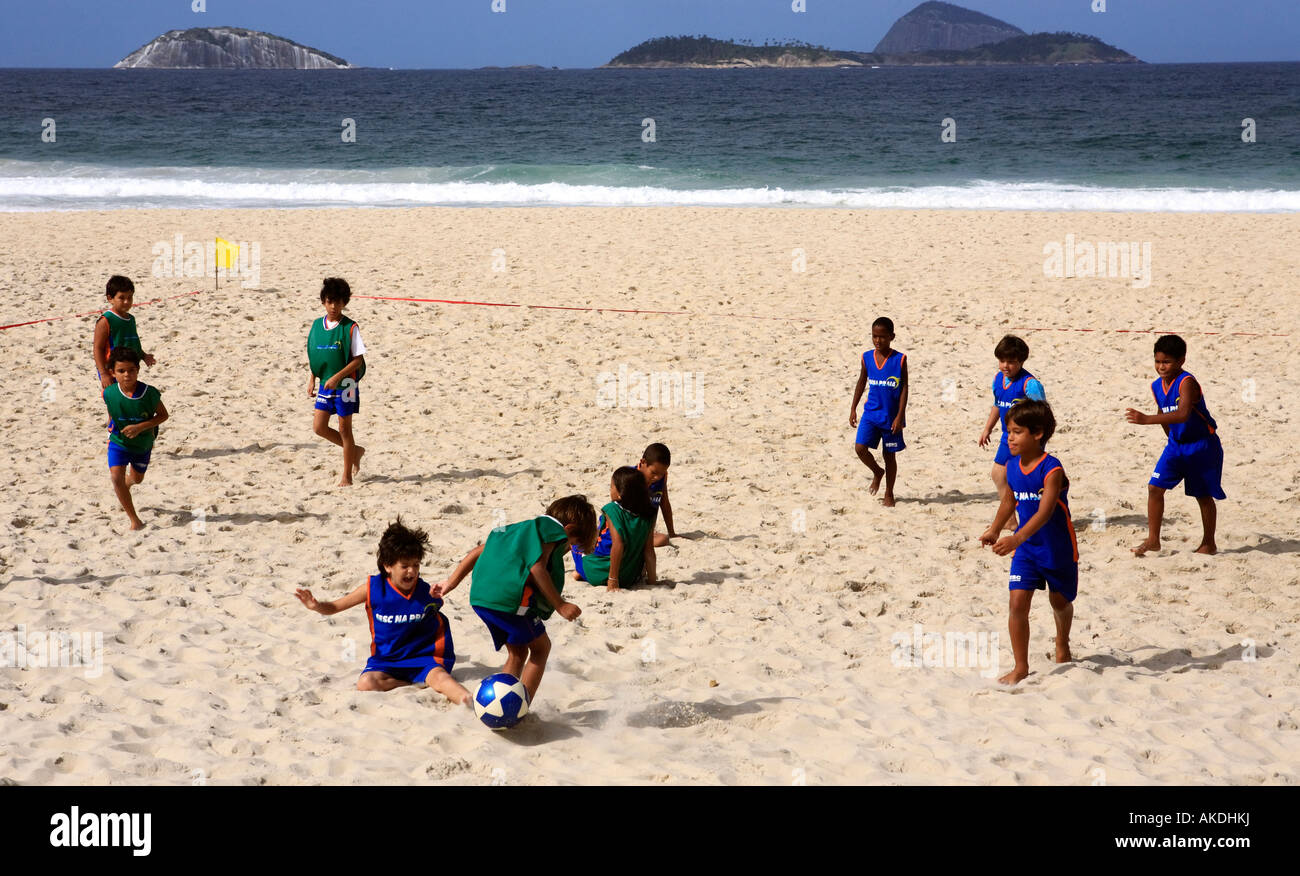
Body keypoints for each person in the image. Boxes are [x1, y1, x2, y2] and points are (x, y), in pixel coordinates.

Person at [438, 497, 598, 707]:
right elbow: (537, 568)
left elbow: (478, 552)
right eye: (571, 544)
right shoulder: (552, 532)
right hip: (509, 601)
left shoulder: (517, 530)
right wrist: (561, 605)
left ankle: (498, 704)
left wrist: (451, 583)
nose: (568, 548)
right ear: (567, 529)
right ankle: (520, 708)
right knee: (541, 648)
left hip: (481, 597)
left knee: (518, 652)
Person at [295, 518, 470, 705]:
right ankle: (408, 683)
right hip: (387, 660)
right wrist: (316, 606)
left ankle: (470, 701)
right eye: (404, 566)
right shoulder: (373, 588)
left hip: (423, 658)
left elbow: (436, 613)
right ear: (388, 565)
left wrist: (435, 597)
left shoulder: (424, 590)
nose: (412, 572)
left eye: (416, 565)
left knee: (442, 679)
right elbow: (336, 606)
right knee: (365, 683)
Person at [980, 400, 1077, 685]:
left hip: (1056, 547)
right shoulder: (1011, 466)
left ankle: (1062, 641)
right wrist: (995, 529)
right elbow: (1010, 499)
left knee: (1060, 601)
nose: (1009, 437)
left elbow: (1046, 512)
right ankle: (1020, 666)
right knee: (1017, 604)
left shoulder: (1052, 468)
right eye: (1008, 431)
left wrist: (1016, 537)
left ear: (1037, 434)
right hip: (1026, 551)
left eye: (1017, 431)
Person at [1125, 335, 1225, 556]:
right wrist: (1170, 439)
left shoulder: (1187, 381)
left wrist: (1145, 420)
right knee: (1154, 488)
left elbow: (1182, 414)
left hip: (1202, 446)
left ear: (1181, 361)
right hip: (1175, 446)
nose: (1161, 367)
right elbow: (1164, 412)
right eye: (1158, 361)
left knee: (1203, 495)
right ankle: (1153, 540)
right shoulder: (1156, 386)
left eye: (1167, 362)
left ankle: (1209, 542)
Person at [978, 335, 1046, 527]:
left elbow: (1043, 414)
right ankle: (1010, 520)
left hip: (1028, 439)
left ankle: (1039, 518)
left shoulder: (1030, 384)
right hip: (1008, 437)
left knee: (1028, 481)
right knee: (998, 474)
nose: (1005, 366)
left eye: (1011, 362)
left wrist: (1038, 441)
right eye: (1002, 361)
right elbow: (997, 405)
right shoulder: (998, 379)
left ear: (1021, 361)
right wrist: (987, 428)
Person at [307, 278, 367, 486]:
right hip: (325, 383)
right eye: (330, 301)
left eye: (339, 302)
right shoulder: (316, 325)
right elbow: (316, 355)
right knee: (319, 427)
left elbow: (358, 361)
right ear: (323, 301)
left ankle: (347, 476)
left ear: (345, 303)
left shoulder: (350, 327)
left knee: (344, 429)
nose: (334, 306)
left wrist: (337, 377)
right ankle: (356, 451)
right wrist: (312, 378)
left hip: (346, 385)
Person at [102, 348, 168, 531]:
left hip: (142, 444)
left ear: (138, 370)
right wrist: (110, 426)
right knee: (116, 478)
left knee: (137, 479)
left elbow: (163, 415)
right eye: (121, 371)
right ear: (113, 373)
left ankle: (128, 484)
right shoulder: (109, 393)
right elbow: (112, 409)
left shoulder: (149, 393)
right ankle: (135, 520)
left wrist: (140, 427)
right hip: (118, 442)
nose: (127, 375)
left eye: (131, 370)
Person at [849, 317, 908, 506]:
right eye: (874, 336)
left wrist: (900, 416)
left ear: (891, 336)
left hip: (891, 417)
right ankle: (877, 471)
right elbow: (861, 382)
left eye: (882, 337)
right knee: (860, 448)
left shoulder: (899, 360)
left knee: (889, 455)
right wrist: (853, 408)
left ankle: (889, 492)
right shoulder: (867, 357)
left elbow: (905, 388)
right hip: (871, 414)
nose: (878, 340)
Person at [571, 467, 657, 590]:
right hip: (629, 577)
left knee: (574, 542)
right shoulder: (649, 513)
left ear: (620, 494)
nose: (610, 490)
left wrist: (613, 580)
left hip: (602, 573)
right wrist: (653, 582)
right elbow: (649, 551)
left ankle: (580, 572)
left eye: (611, 487)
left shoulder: (613, 510)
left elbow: (618, 545)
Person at [93, 275, 156, 389]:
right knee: (116, 401)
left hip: (129, 370)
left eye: (130, 297)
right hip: (113, 371)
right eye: (121, 298)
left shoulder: (131, 319)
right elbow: (98, 348)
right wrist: (103, 374)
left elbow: (132, 343)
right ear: (110, 298)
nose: (127, 302)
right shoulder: (106, 320)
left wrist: (144, 356)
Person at [637, 442, 676, 546]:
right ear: (643, 462)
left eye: (662, 473)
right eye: (653, 473)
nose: (657, 477)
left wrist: (672, 533)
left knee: (663, 539)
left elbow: (665, 503)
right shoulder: (630, 478)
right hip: (629, 530)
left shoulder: (661, 478)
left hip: (646, 532)